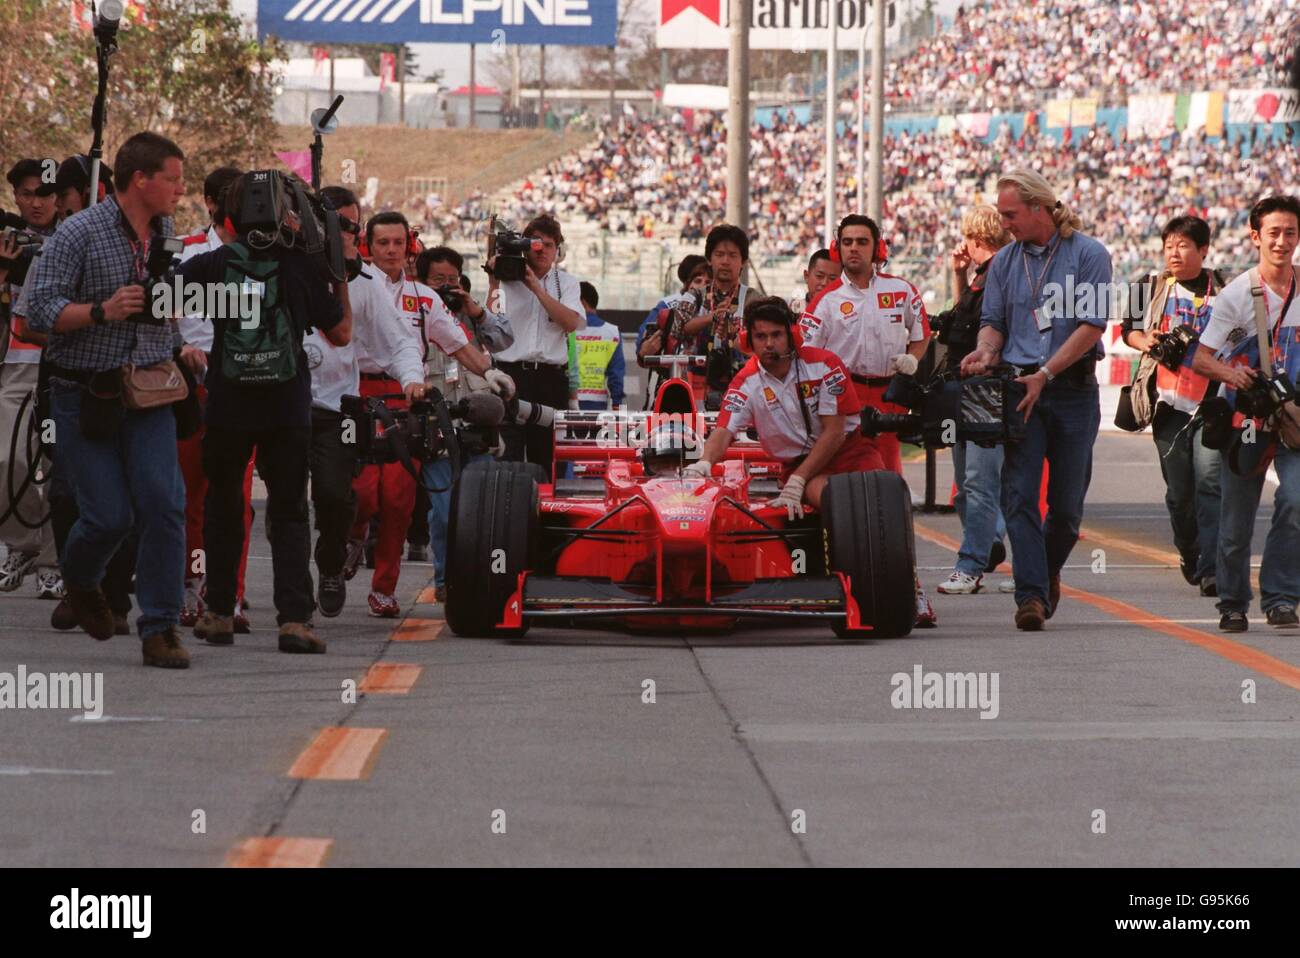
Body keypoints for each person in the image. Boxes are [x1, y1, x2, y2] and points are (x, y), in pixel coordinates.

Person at [24, 132, 193, 667]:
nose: (181, 189)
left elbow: (165, 303)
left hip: (150, 389)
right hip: (84, 393)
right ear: (140, 180)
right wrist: (102, 310)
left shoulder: (166, 231)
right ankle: (81, 580)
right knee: (108, 517)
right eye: (173, 178)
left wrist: (177, 330)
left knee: (164, 505)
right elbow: (34, 316)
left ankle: (161, 627)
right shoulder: (78, 232)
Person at [180, 170, 353, 652]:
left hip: (228, 400)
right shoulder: (299, 268)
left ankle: (217, 612)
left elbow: (162, 304)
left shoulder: (213, 263)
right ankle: (294, 621)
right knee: (290, 511)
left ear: (229, 215)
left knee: (222, 506)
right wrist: (334, 272)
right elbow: (340, 335)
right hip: (286, 405)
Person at [960, 170, 1111, 632]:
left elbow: (1092, 326)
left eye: (1011, 214)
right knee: (1020, 494)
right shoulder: (1005, 262)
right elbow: (993, 322)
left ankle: (1045, 573)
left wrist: (1046, 374)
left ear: (1039, 209)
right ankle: (1030, 597)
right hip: (1018, 389)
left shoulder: (1089, 254)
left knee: (1066, 510)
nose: (1003, 222)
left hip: (1071, 390)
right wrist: (985, 351)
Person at [345, 212, 512, 616]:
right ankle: (352, 536)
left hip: (407, 399)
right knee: (362, 493)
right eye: (382, 243)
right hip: (354, 395)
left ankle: (384, 589)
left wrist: (489, 372)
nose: (390, 251)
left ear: (409, 248)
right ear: (368, 246)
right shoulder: (350, 287)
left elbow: (457, 344)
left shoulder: (424, 297)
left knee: (400, 500)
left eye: (397, 243)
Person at [15, 156, 136, 634]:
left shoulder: (141, 241)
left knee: (129, 492)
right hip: (66, 385)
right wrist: (82, 327)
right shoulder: (62, 245)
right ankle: (77, 587)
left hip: (126, 386)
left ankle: (117, 594)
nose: (55, 207)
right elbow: (28, 320)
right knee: (66, 489)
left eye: (61, 197)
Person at [800, 213, 936, 627]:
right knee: (838, 492)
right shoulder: (823, 303)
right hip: (843, 401)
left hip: (889, 398)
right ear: (836, 249)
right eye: (847, 242)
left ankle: (910, 589)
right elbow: (805, 356)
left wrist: (912, 358)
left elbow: (923, 331)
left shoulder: (902, 290)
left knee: (891, 493)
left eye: (862, 241)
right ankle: (838, 583)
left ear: (877, 247)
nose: (854, 248)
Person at [1191, 195, 1300, 633]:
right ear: (1256, 237)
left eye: (1290, 232)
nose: (1281, 241)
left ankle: (1280, 597)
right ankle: (1233, 602)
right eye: (1273, 233)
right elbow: (1200, 358)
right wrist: (1232, 377)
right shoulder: (1238, 293)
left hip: (1293, 419)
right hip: (1246, 421)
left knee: (1296, 501)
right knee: (1236, 519)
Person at [685, 296, 884, 510]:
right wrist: (704, 462)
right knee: (836, 501)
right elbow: (724, 430)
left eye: (776, 335)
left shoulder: (826, 365)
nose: (769, 344)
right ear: (748, 341)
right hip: (803, 468)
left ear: (792, 335)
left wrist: (798, 480)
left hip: (851, 453)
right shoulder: (745, 383)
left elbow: (835, 432)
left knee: (879, 501)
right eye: (760, 337)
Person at [1121, 215, 1224, 597]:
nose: (1174, 254)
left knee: (1211, 483)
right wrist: (1144, 340)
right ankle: (1189, 549)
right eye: (1168, 247)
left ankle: (1212, 569)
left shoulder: (1227, 289)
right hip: (1167, 406)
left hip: (1212, 404)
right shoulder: (1147, 287)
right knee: (1180, 492)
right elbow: (1126, 329)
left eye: (1183, 246)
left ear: (1203, 250)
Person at [174, 165, 255, 630]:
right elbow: (160, 306)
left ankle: (231, 597)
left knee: (236, 499)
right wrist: (179, 347)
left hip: (243, 387)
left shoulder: (267, 258)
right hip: (190, 386)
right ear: (210, 202)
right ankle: (191, 582)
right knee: (190, 497)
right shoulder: (185, 251)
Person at [416, 244, 516, 603]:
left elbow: (504, 339)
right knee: (444, 513)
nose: (445, 287)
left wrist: (474, 309)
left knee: (481, 511)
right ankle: (444, 578)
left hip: (478, 428)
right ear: (421, 282)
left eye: (452, 280)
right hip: (435, 427)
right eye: (437, 280)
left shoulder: (471, 316)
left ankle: (478, 576)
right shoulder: (414, 314)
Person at [933, 204, 1013, 595]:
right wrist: (958, 275)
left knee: (978, 480)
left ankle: (971, 563)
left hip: (986, 387)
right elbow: (961, 319)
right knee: (969, 483)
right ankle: (986, 543)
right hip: (969, 387)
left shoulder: (1002, 271)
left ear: (976, 239)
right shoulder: (985, 275)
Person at [0, 158, 59, 596]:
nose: (35, 202)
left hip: (61, 366)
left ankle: (55, 562)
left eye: (44, 193)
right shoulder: (6, 239)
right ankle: (23, 544)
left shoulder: (75, 239)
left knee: (62, 466)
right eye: (27, 193)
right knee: (8, 459)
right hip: (16, 364)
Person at [489, 213, 584, 477]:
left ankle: (543, 512)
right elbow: (489, 326)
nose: (541, 251)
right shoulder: (505, 277)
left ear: (558, 250)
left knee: (545, 455)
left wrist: (536, 289)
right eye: (535, 243)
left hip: (549, 379)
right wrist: (493, 280)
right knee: (507, 456)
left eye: (549, 245)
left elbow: (570, 323)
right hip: (510, 374)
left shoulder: (567, 283)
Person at [682, 224, 753, 409]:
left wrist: (733, 335)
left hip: (742, 395)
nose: (725, 261)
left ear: (743, 261)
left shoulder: (754, 300)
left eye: (732, 255)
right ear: (709, 259)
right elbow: (680, 328)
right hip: (695, 395)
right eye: (719, 254)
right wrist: (711, 318)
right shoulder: (693, 297)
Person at [567, 281, 625, 411]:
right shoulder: (612, 333)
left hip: (568, 400)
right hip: (597, 404)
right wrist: (617, 405)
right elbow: (616, 375)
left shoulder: (567, 329)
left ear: (582, 302)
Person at [790, 248, 837, 315]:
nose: (824, 283)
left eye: (832, 279)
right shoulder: (795, 309)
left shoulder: (845, 313)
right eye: (819, 276)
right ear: (806, 276)